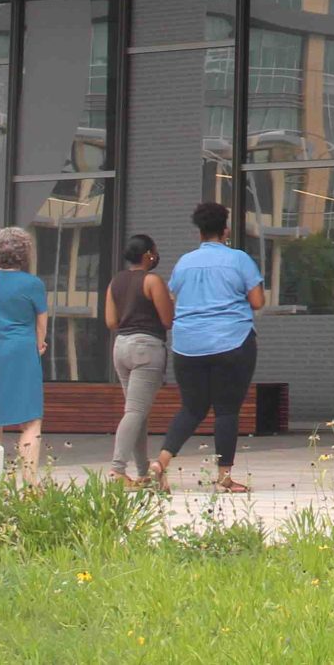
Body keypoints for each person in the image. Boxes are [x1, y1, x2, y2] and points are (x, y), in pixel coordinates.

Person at [150, 201, 265, 493]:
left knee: (192, 408)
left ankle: (160, 463)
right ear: (225, 231)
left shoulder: (184, 263)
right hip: (232, 341)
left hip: (188, 345)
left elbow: (175, 297)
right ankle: (224, 478)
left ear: (199, 232)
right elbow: (257, 301)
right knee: (226, 410)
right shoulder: (239, 259)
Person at [0, 227, 49, 482]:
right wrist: (39, 346)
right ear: (25, 253)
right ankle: (29, 484)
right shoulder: (33, 284)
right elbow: (41, 323)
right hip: (23, 352)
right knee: (31, 421)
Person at [104, 233, 173, 485]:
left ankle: (143, 472)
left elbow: (111, 321)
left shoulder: (116, 282)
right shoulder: (152, 281)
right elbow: (167, 319)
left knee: (137, 412)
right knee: (135, 411)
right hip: (146, 347)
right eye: (154, 252)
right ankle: (117, 469)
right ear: (147, 255)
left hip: (121, 346)